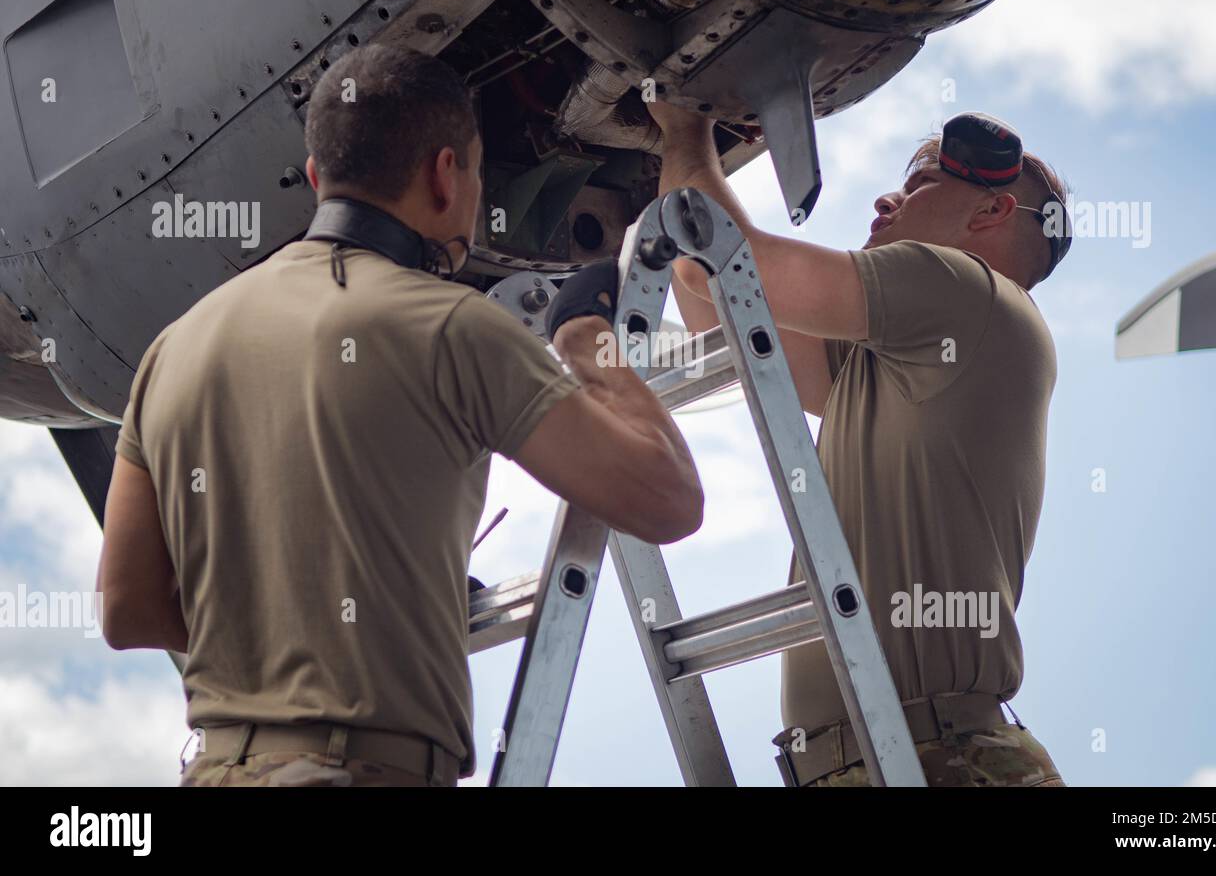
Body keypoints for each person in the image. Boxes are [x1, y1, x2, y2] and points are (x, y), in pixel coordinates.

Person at [95, 44, 703, 787]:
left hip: (216, 770)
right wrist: (588, 343)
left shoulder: (174, 347)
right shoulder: (451, 327)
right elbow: (668, 500)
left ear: (318, 178)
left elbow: (126, 609)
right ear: (447, 174)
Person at [649, 101, 1068, 787]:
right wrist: (676, 157)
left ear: (990, 214)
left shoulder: (966, 292)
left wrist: (685, 128)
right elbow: (717, 304)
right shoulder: (900, 355)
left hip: (940, 762)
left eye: (923, 183)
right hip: (888, 759)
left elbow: (731, 266)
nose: (887, 196)